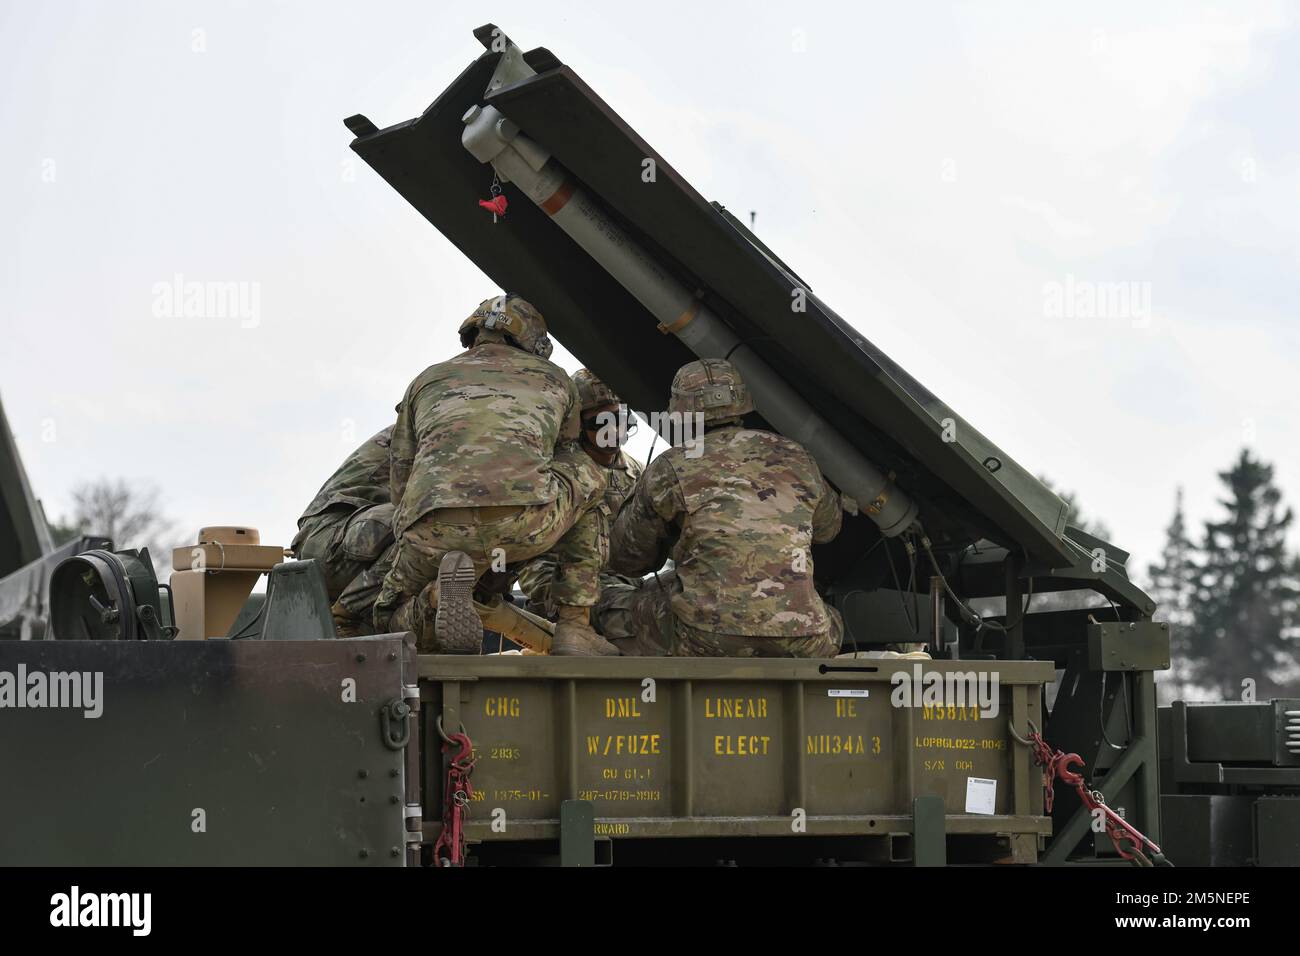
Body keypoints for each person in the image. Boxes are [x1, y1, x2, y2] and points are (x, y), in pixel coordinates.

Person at [371, 294, 619, 656]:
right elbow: (565, 457)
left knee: (385, 616)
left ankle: (435, 599)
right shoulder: (556, 380)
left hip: (432, 529)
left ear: (472, 332)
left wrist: (418, 535)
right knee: (590, 484)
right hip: (524, 522)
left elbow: (401, 477)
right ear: (533, 341)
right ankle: (574, 627)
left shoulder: (426, 380)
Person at [597, 358, 844, 657]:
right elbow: (829, 529)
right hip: (806, 642)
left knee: (615, 604)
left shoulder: (672, 466)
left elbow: (628, 560)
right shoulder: (798, 457)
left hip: (704, 640)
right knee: (830, 619)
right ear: (741, 401)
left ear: (680, 411)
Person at [515, 369, 643, 622]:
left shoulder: (637, 472)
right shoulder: (553, 472)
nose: (614, 429)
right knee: (630, 615)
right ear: (577, 426)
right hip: (559, 581)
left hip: (623, 582)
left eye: (620, 418)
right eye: (602, 422)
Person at [289, 426, 396, 637]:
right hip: (328, 540)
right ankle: (345, 614)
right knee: (430, 522)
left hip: (369, 545)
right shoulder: (426, 426)